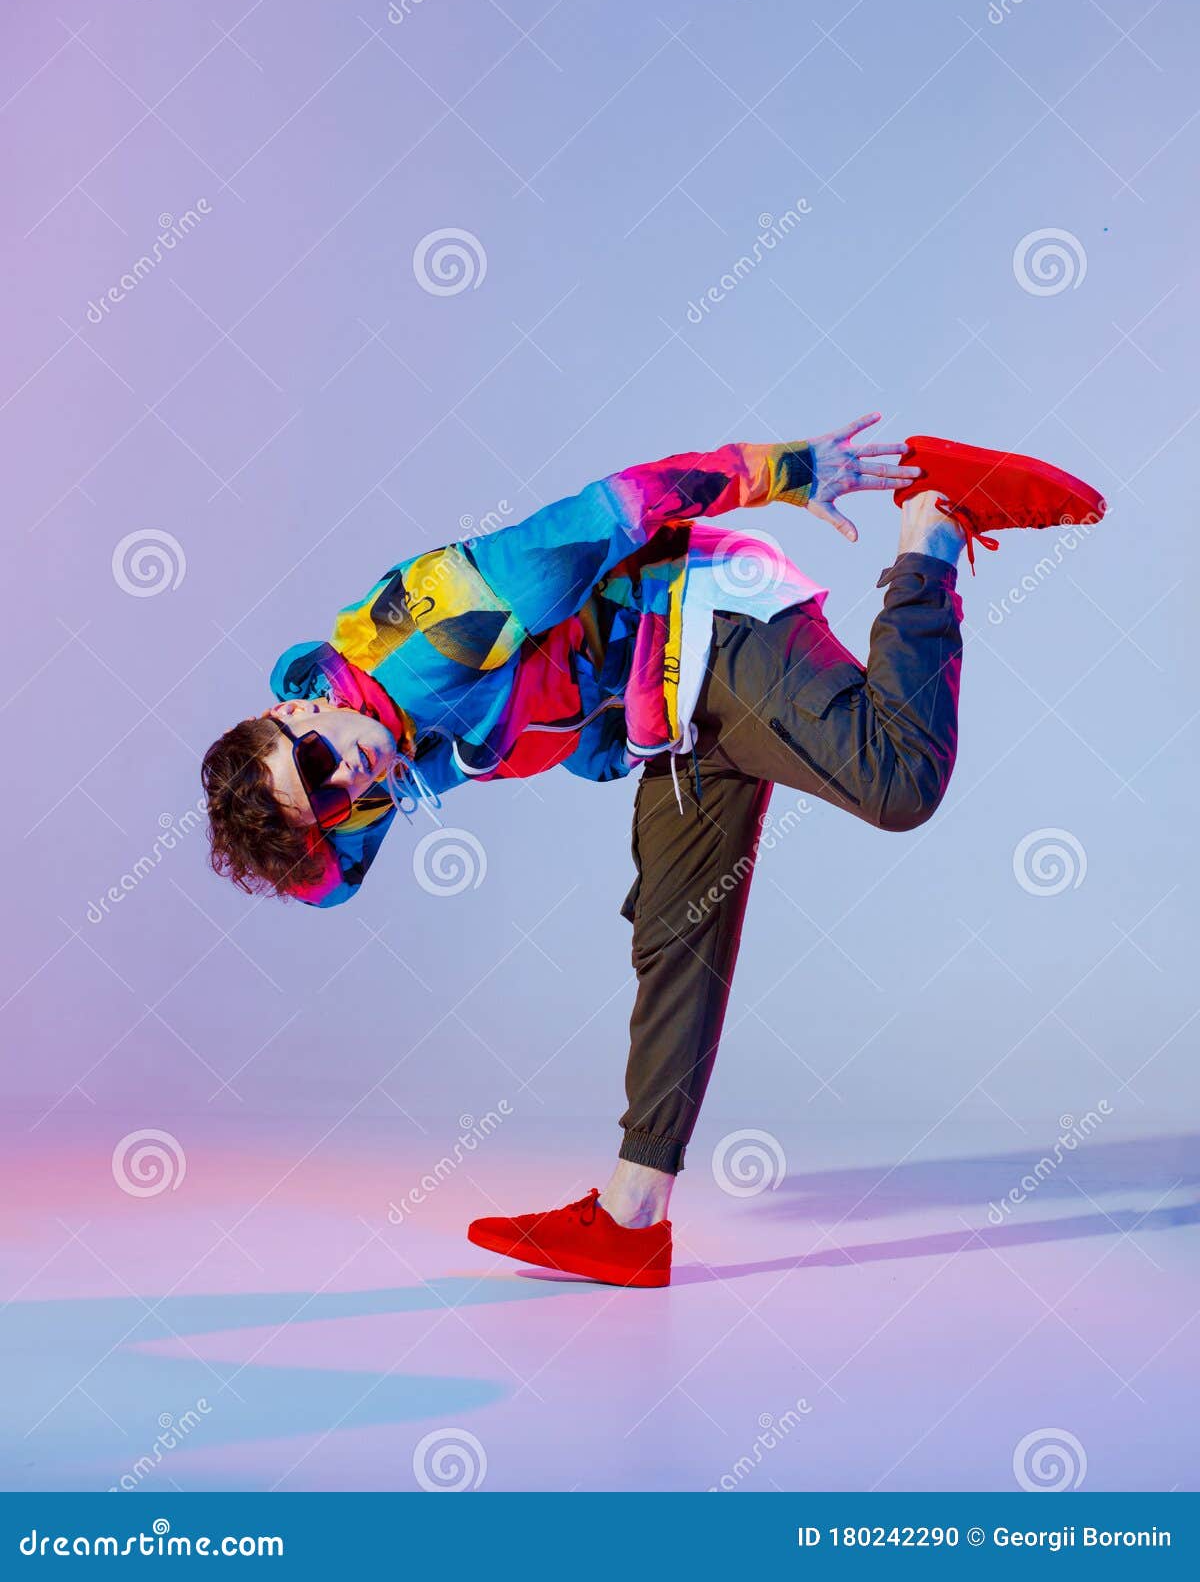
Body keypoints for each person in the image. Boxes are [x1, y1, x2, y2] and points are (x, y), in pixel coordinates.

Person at [202, 415, 1104, 1286]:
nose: (346, 779)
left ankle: (934, 531)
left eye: (316, 758)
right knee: (676, 939)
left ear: (293, 710)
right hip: (667, 719)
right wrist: (298, 809)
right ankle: (632, 1222)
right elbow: (330, 886)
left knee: (897, 781)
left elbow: (617, 507)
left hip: (711, 622)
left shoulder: (442, 620)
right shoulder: (361, 748)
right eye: (325, 799)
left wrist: (790, 470)